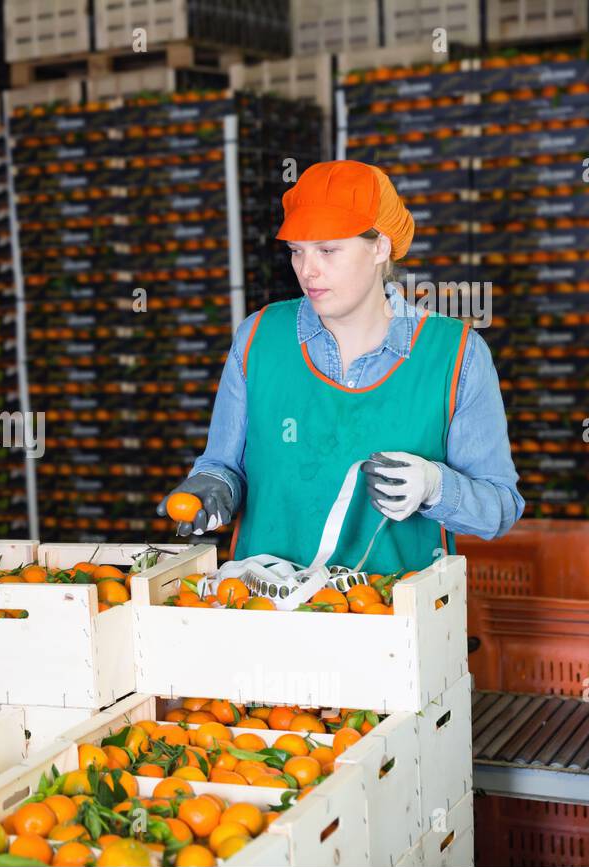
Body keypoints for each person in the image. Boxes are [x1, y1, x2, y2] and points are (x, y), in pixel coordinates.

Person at [158, 160, 523, 574]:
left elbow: (501, 507)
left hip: (391, 616)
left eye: (328, 250)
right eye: (297, 251)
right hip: (261, 608)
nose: (307, 270)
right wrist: (213, 486)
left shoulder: (456, 355)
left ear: (380, 247)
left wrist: (436, 486)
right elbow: (223, 466)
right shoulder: (258, 338)